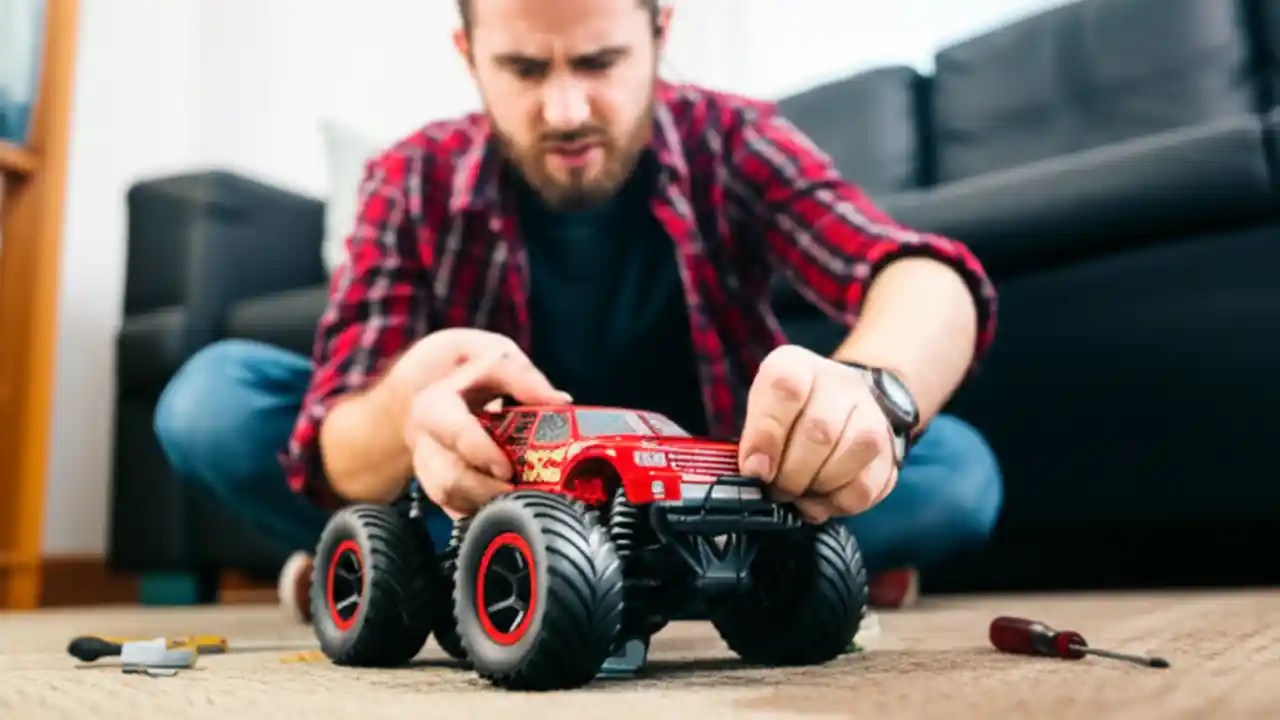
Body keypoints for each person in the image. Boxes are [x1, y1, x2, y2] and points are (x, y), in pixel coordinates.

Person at [154, 0, 1003, 622]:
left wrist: (870, 395)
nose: (565, 112)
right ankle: (704, 580)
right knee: (210, 398)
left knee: (956, 469)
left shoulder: (735, 140)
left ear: (659, 32)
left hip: (704, 481)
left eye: (598, 62)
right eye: (525, 69)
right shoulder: (412, 177)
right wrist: (411, 399)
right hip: (484, 489)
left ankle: (439, 579)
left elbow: (925, 275)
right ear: (469, 52)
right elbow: (333, 448)